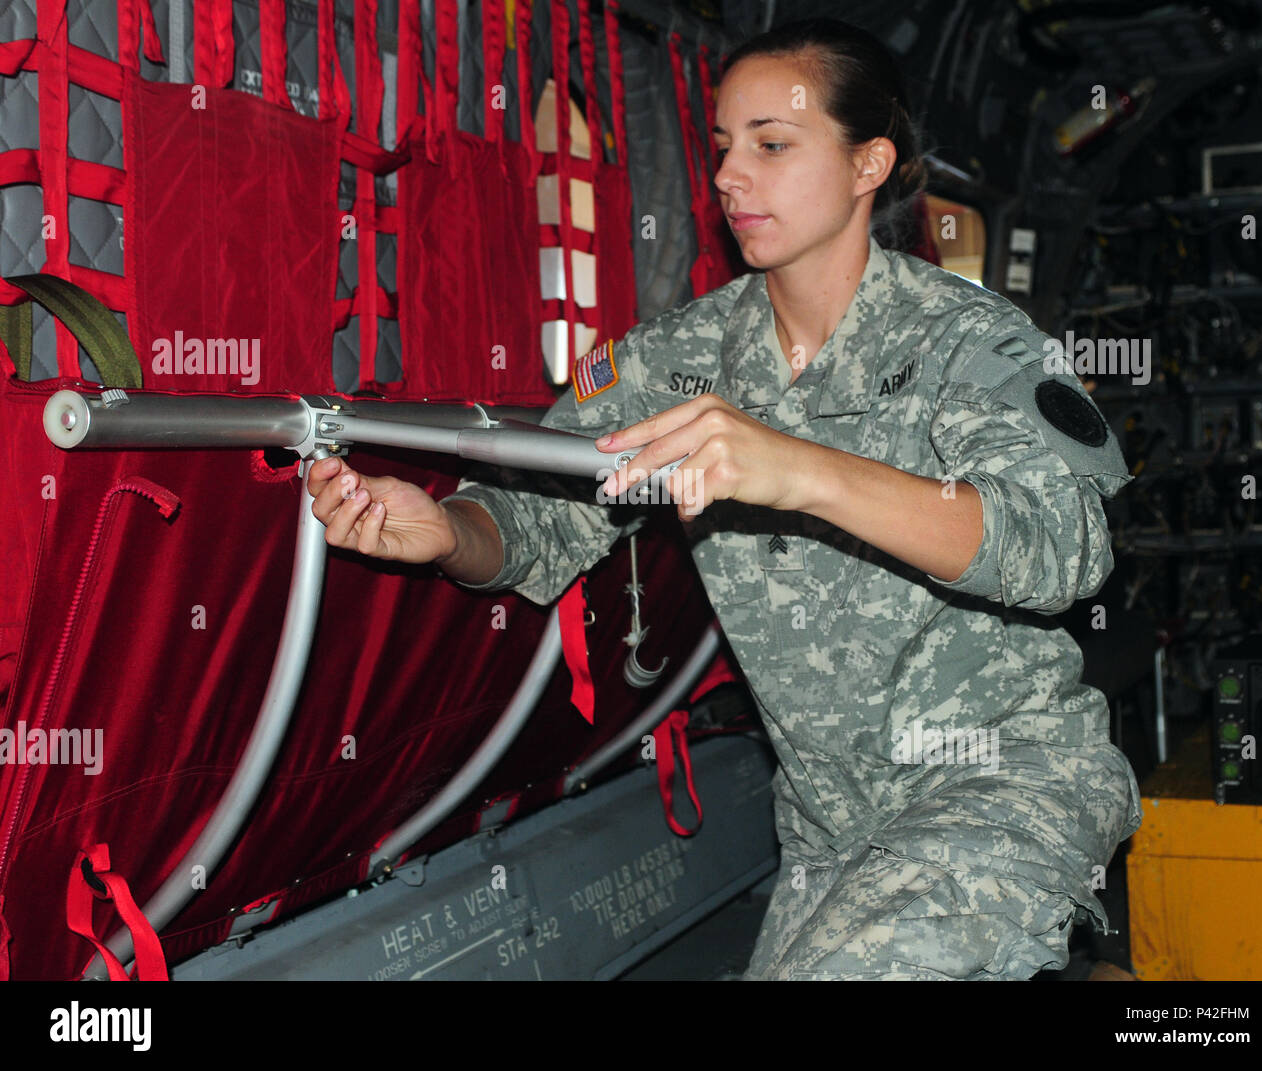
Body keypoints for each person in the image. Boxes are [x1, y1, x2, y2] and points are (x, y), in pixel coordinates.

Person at [307, 17, 1142, 980]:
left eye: (772, 145)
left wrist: (800, 468)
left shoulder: (970, 340)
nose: (729, 176)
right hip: (832, 827)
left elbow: (1063, 546)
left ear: (870, 164)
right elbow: (537, 517)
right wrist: (447, 529)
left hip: (1002, 783)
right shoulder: (674, 358)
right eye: (719, 147)